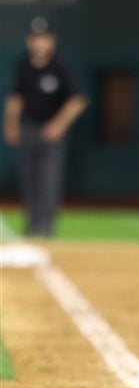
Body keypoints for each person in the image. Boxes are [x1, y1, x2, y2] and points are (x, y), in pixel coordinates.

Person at [4, 17, 88, 239]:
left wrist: (59, 124)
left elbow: (77, 100)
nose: (39, 42)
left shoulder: (61, 67)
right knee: (29, 181)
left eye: (43, 38)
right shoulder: (23, 65)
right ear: (29, 40)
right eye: (35, 38)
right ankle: (32, 226)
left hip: (51, 133)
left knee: (49, 182)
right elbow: (16, 97)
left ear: (52, 40)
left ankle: (46, 229)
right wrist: (11, 124)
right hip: (28, 129)